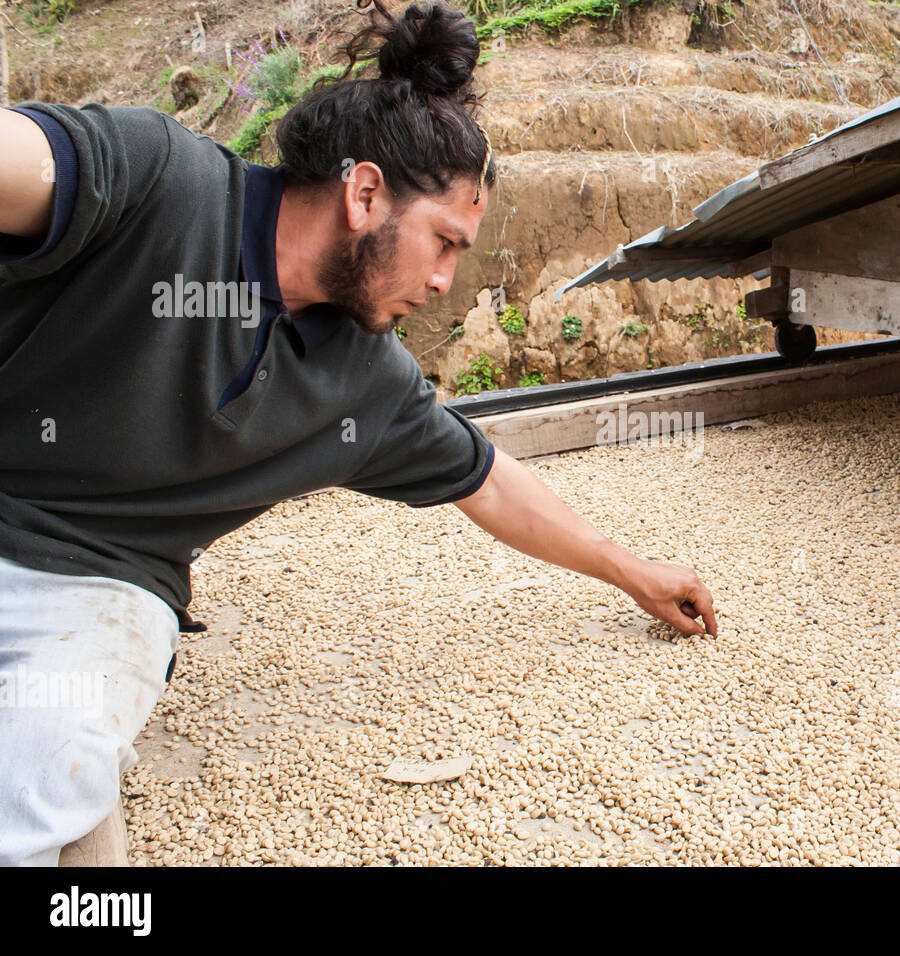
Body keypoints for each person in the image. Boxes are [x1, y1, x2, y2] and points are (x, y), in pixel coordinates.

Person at [0, 0, 716, 866]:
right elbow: (25, 163)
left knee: (51, 764)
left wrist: (634, 572)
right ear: (365, 192)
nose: (449, 282)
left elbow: (486, 480)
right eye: (445, 243)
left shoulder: (366, 384)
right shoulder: (163, 183)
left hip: (96, 588)